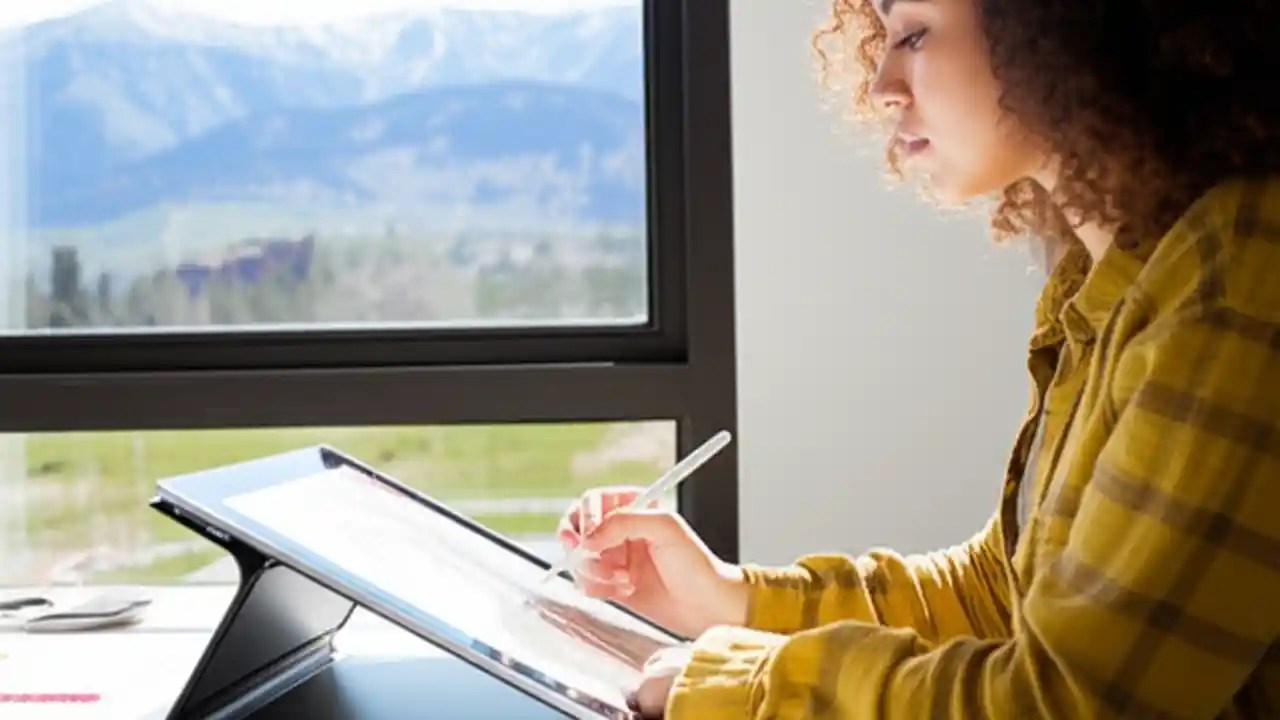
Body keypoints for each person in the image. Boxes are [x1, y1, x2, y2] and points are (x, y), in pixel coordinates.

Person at [557, 0, 1280, 717]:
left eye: (913, 34)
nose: (880, 85)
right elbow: (1002, 595)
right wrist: (731, 598)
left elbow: (1069, 703)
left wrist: (741, 686)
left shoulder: (1235, 277)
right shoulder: (1116, 279)